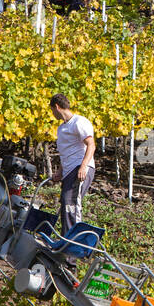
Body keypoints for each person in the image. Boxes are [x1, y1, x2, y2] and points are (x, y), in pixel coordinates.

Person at [49, 92, 95, 237]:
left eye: (52, 110)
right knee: (65, 204)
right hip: (69, 171)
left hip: (79, 168)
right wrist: (60, 172)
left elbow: (91, 145)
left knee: (72, 204)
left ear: (57, 107)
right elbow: (65, 153)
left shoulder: (79, 122)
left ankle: (72, 249)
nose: (52, 113)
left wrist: (83, 166)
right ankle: (65, 243)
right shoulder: (61, 128)